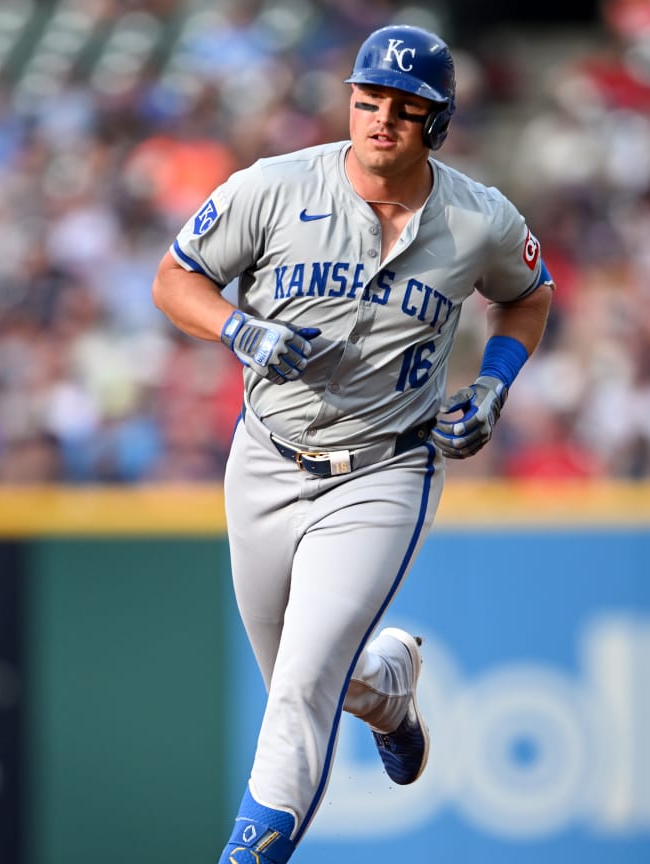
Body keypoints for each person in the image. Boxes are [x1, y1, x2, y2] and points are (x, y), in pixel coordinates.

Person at [150, 24, 555, 864]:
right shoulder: (273, 186)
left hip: (386, 471)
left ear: (437, 123)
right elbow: (174, 276)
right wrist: (239, 330)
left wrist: (492, 385)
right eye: (368, 100)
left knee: (302, 687)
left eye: (405, 109)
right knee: (302, 684)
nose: (380, 120)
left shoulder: (479, 218)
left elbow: (529, 295)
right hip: (265, 457)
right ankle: (390, 694)